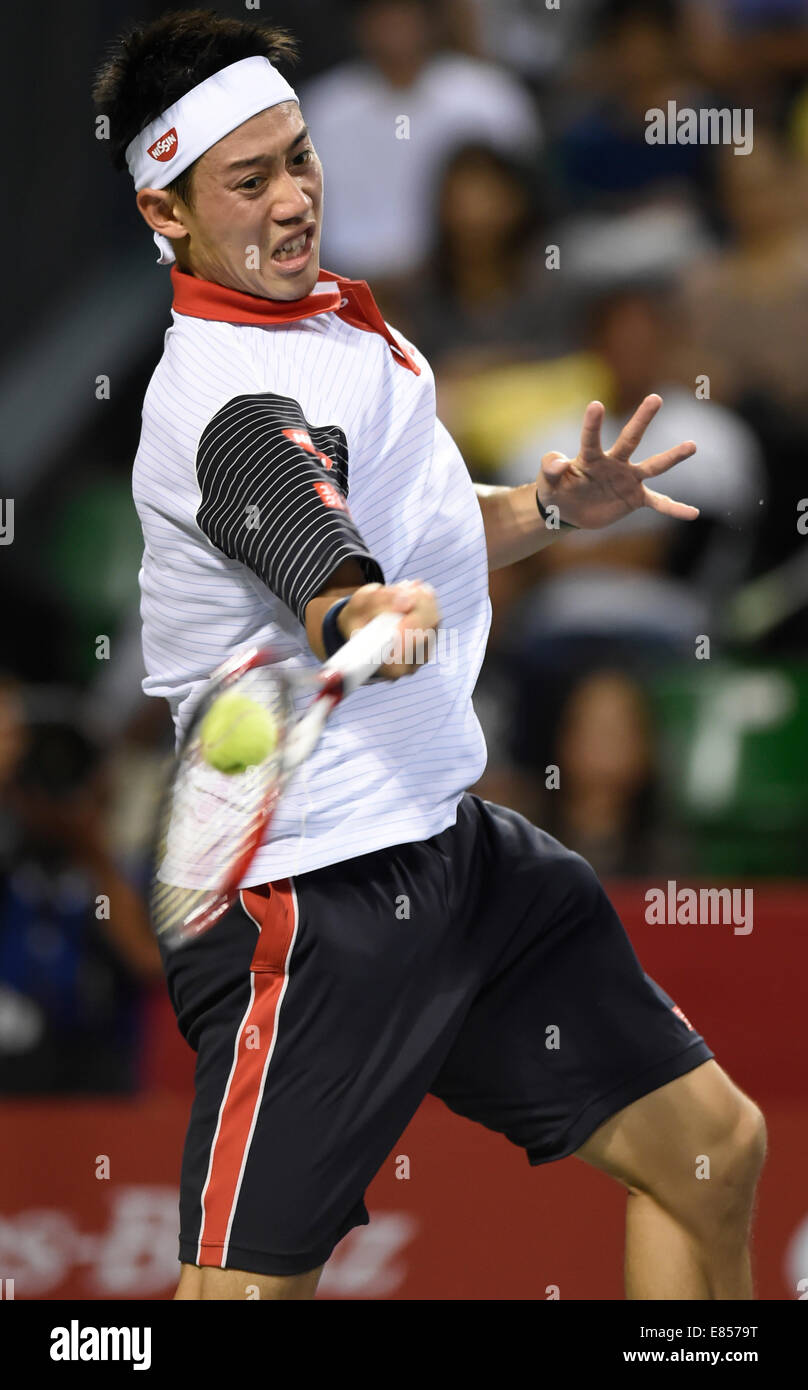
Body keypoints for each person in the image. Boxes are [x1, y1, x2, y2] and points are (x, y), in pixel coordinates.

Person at [93, 9, 766, 1301]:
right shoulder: (227, 398)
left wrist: (553, 509)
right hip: (307, 902)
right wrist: (358, 613)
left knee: (710, 1151)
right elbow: (314, 543)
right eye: (250, 181)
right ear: (165, 215)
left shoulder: (341, 332)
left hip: (452, 851)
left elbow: (416, 532)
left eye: (301, 157)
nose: (294, 199)